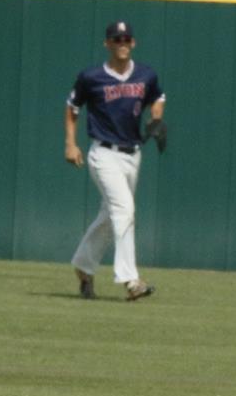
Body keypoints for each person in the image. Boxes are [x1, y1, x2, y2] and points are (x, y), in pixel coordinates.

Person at [65, 19, 165, 302]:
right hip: (104, 153)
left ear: (133, 43)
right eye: (116, 40)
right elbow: (72, 108)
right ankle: (130, 280)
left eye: (126, 39)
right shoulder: (92, 77)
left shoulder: (146, 75)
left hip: (132, 154)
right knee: (124, 210)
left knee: (110, 217)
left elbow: (158, 96)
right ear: (107, 44)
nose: (122, 44)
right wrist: (70, 144)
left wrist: (156, 118)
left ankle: (83, 267)